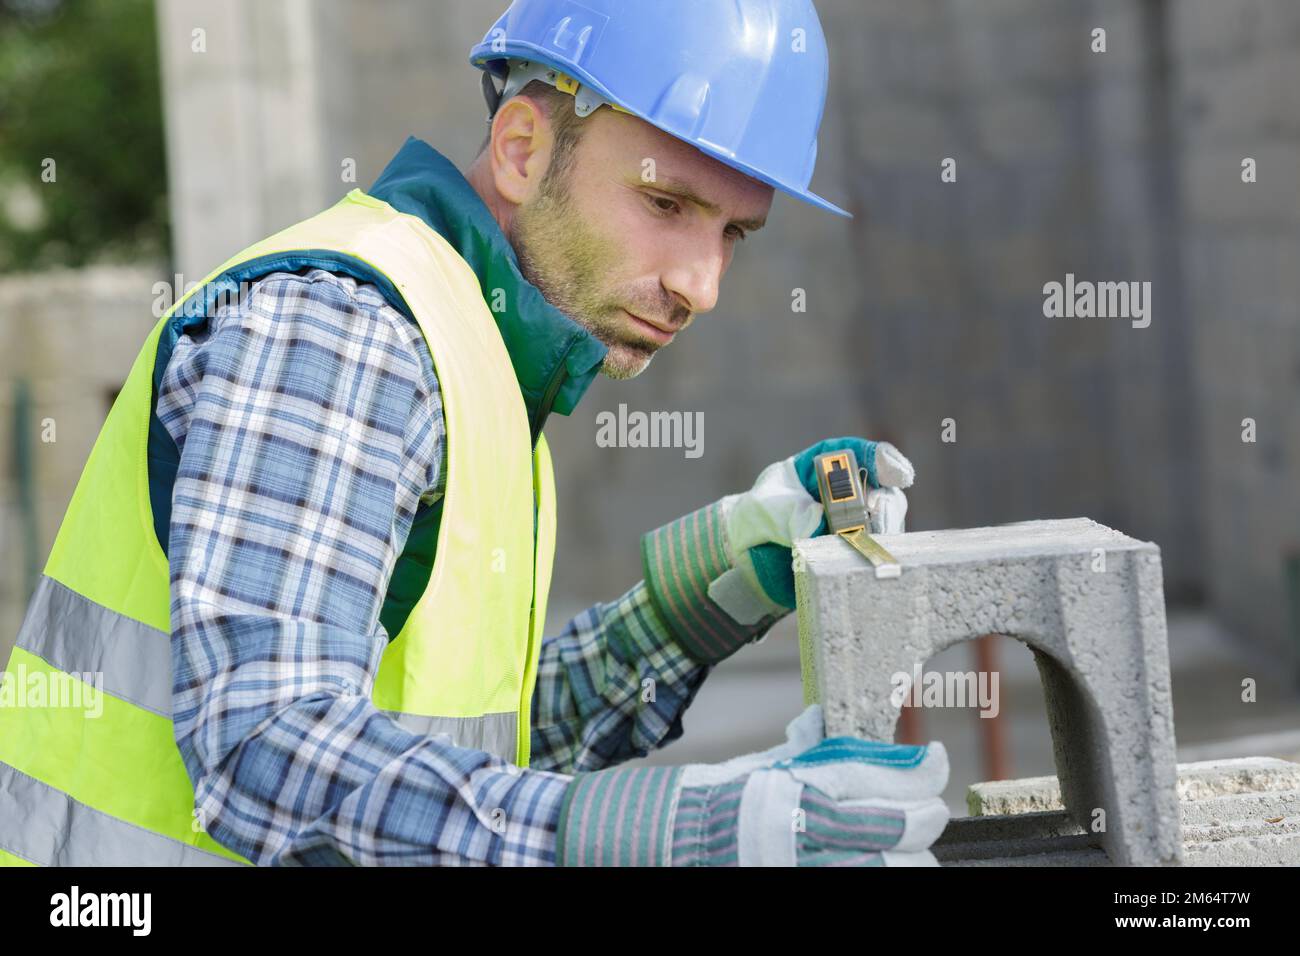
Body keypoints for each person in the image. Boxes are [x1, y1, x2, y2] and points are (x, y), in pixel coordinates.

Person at [0, 0, 948, 867]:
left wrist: (708, 592)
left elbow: (463, 749)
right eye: (666, 205)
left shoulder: (479, 355)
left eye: (735, 234)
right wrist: (685, 834)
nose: (700, 285)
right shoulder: (344, 329)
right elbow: (267, 747)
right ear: (525, 150)